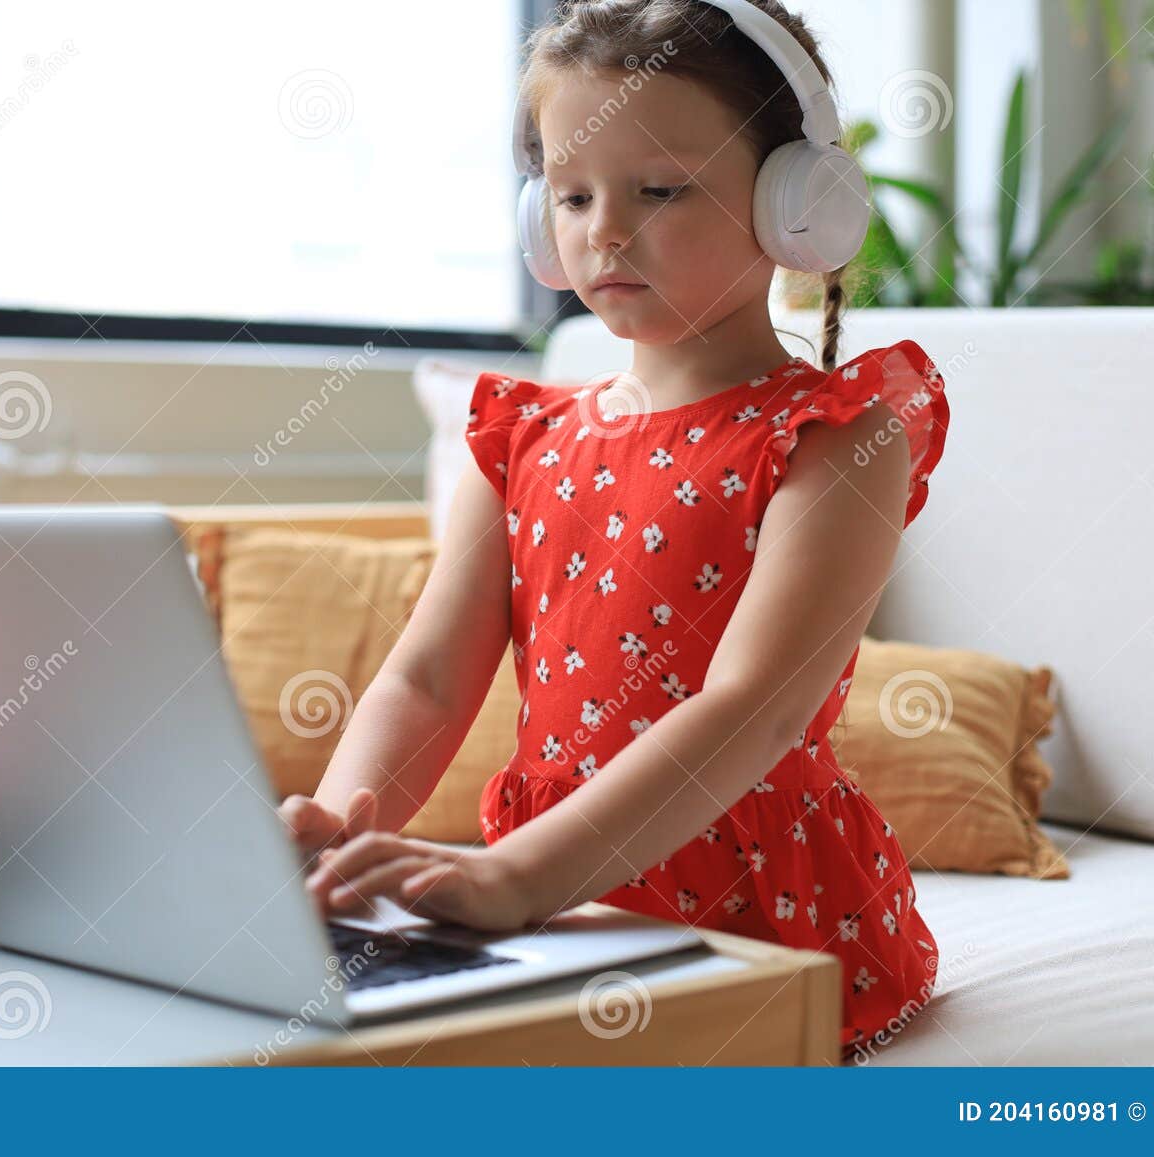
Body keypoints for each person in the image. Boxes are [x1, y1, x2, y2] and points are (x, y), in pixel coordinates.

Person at [281, 0, 951, 1059]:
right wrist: (335, 830)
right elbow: (427, 680)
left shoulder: (834, 437)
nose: (604, 229)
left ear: (797, 207)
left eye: (660, 190)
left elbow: (752, 711)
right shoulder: (524, 436)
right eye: (572, 193)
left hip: (753, 911)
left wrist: (515, 875)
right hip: (551, 897)